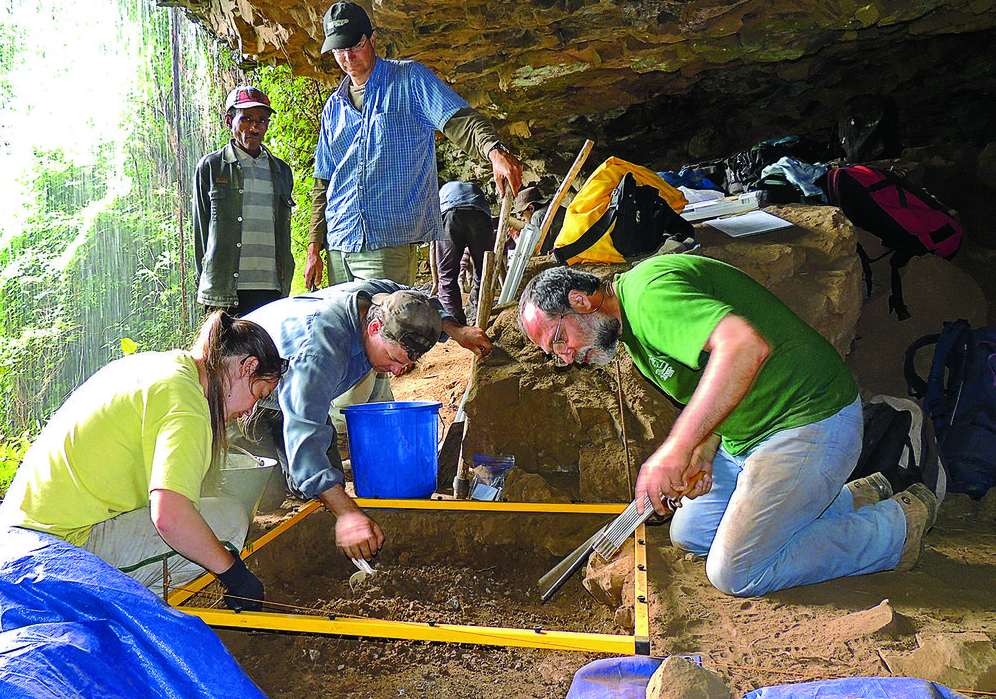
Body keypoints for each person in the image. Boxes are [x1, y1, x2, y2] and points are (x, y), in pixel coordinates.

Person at [517, 257, 939, 597]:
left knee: (736, 571)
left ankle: (895, 528)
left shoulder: (649, 296)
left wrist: (675, 448)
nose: (565, 357)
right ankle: (850, 499)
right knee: (691, 533)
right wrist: (701, 450)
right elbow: (714, 385)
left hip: (808, 420)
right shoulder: (629, 332)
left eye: (558, 340)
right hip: (748, 439)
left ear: (581, 300)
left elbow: (742, 345)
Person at [0, 312, 285, 609]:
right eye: (258, 393)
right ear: (247, 367)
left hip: (16, 537)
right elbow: (170, 517)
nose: (251, 411)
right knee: (229, 521)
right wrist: (235, 575)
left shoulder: (164, 367)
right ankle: (125, 618)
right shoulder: (188, 406)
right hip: (50, 557)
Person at [239, 280, 492, 561]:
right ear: (374, 328)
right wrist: (348, 514)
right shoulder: (322, 352)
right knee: (275, 493)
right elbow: (305, 435)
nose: (396, 372)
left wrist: (456, 331)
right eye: (392, 358)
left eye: (405, 365)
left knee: (326, 482)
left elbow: (416, 300)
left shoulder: (379, 300)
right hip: (246, 393)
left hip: (296, 392)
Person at [303, 0, 524, 290]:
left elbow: (459, 120)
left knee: (388, 330)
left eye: (355, 45)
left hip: (387, 245)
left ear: (372, 39)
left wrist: (495, 151)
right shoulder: (333, 106)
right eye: (338, 50)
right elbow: (324, 181)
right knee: (346, 334)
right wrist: (313, 248)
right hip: (339, 244)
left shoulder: (410, 80)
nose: (347, 57)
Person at [192, 85, 295, 315]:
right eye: (246, 119)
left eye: (262, 120)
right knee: (226, 350)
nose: (255, 127)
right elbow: (200, 235)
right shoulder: (211, 167)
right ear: (229, 121)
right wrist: (208, 284)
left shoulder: (281, 171)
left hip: (272, 288)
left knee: (267, 351)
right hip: (226, 291)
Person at [433, 181, 494, 325]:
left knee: (447, 276)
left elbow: (434, 245)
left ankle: (455, 325)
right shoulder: (472, 189)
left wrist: (437, 280)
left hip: (450, 214)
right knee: (483, 271)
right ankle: (478, 317)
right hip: (480, 214)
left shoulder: (441, 192)